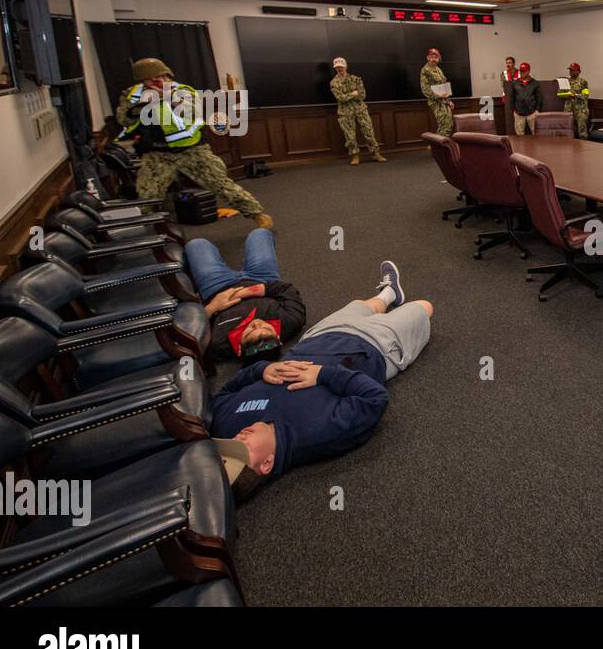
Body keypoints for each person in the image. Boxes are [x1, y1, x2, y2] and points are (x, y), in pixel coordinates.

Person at [211, 262, 432, 490]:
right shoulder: (318, 434)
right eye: (242, 448)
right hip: (375, 344)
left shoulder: (227, 425)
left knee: (363, 305)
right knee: (424, 307)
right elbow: (374, 398)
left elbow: (223, 394)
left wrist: (261, 369)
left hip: (319, 336)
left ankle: (390, 293)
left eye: (231, 446)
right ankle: (395, 301)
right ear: (267, 464)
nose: (239, 437)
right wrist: (323, 374)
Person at [116, 58, 274, 228]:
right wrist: (142, 105)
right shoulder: (132, 96)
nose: (158, 81)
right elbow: (123, 119)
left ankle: (257, 214)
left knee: (222, 185)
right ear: (142, 80)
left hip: (193, 150)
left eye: (162, 77)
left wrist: (169, 99)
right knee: (147, 195)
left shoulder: (182, 90)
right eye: (152, 79)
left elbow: (193, 111)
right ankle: (147, 231)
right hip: (157, 154)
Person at [184, 228, 307, 363]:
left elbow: (188, 333)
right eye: (266, 327)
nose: (257, 323)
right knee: (260, 233)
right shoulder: (291, 321)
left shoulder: (218, 345)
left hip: (216, 287)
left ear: (239, 349)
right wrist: (243, 292)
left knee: (196, 244)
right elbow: (286, 289)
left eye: (249, 332)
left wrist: (213, 306)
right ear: (278, 337)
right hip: (262, 278)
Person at [330, 57, 386, 165]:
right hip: (345, 112)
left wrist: (349, 95)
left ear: (346, 66)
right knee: (349, 135)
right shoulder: (334, 82)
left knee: (368, 131)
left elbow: (362, 95)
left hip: (360, 109)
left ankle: (376, 153)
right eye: (337, 67)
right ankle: (355, 156)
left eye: (341, 67)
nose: (339, 69)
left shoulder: (356, 79)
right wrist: (353, 93)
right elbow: (340, 98)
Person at [421, 48, 454, 137]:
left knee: (449, 124)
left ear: (439, 58)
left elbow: (443, 85)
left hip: (444, 101)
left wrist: (449, 101)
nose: (434, 58)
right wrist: (438, 96)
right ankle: (439, 147)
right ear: (428, 57)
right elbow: (425, 89)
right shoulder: (425, 70)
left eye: (436, 56)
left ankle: (442, 146)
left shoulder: (438, 69)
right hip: (436, 101)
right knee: (444, 125)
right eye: (432, 56)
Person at [511, 61, 541, 136]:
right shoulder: (515, 83)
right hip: (518, 113)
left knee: (536, 133)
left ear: (528, 71)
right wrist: (513, 110)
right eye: (520, 71)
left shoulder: (535, 83)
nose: (521, 73)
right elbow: (512, 97)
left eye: (523, 71)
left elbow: (539, 97)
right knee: (519, 135)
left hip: (532, 113)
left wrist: (537, 110)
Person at [562, 62, 590, 139]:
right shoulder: (566, 82)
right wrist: (563, 93)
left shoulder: (583, 82)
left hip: (580, 110)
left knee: (582, 133)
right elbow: (561, 93)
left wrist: (575, 95)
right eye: (570, 70)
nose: (570, 72)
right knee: (569, 131)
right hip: (569, 109)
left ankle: (584, 148)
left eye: (573, 70)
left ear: (578, 71)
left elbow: (585, 96)